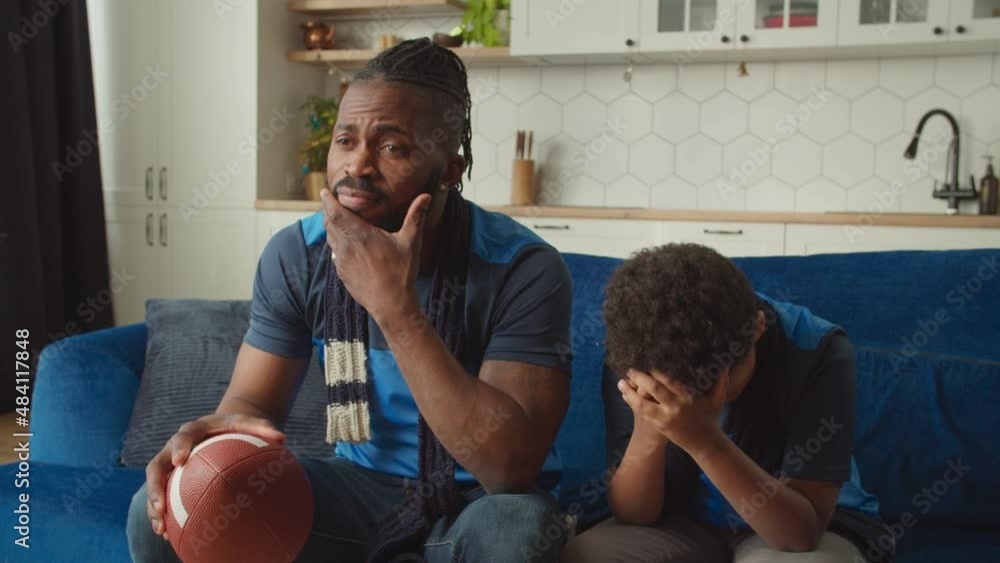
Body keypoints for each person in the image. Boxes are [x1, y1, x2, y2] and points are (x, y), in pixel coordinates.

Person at [126, 38, 574, 563]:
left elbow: (508, 469)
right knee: (166, 510)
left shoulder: (523, 267)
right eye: (345, 140)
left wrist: (395, 309)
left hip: (476, 502)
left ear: (450, 171)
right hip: (356, 491)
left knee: (519, 526)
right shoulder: (299, 254)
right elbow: (253, 407)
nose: (357, 165)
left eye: (392, 147)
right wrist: (209, 453)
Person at [562, 243, 894, 563]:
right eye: (674, 392)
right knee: (585, 556)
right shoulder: (639, 346)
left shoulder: (816, 350)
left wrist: (704, 440)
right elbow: (635, 516)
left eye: (711, 388)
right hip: (684, 522)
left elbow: (799, 537)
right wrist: (649, 430)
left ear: (757, 329)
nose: (690, 404)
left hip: (800, 522)